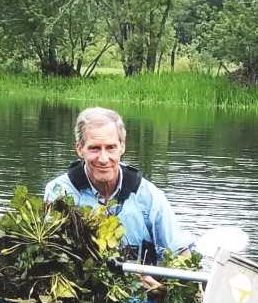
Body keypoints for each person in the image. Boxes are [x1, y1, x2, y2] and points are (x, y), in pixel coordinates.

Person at [43, 107, 188, 263]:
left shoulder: (149, 196)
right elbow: (51, 254)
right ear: (79, 149)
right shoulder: (59, 192)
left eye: (111, 147)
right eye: (94, 148)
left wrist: (156, 279)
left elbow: (181, 253)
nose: (103, 159)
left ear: (122, 146)